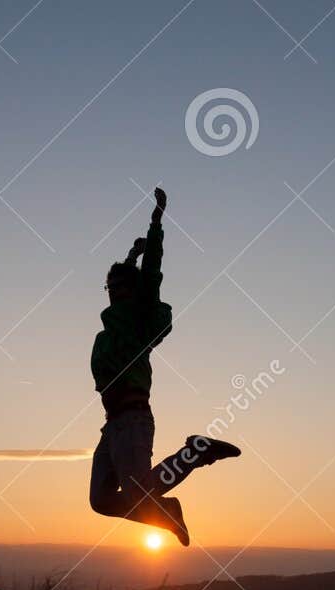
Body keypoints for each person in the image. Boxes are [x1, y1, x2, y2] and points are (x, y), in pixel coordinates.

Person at [88, 186, 239, 545]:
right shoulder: (112, 326)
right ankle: (167, 512)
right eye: (109, 287)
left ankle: (195, 453)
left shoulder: (136, 321)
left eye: (119, 287)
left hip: (133, 420)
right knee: (102, 500)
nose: (113, 291)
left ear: (132, 292)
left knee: (138, 494)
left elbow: (150, 275)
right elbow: (130, 273)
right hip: (113, 426)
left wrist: (156, 224)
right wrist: (131, 253)